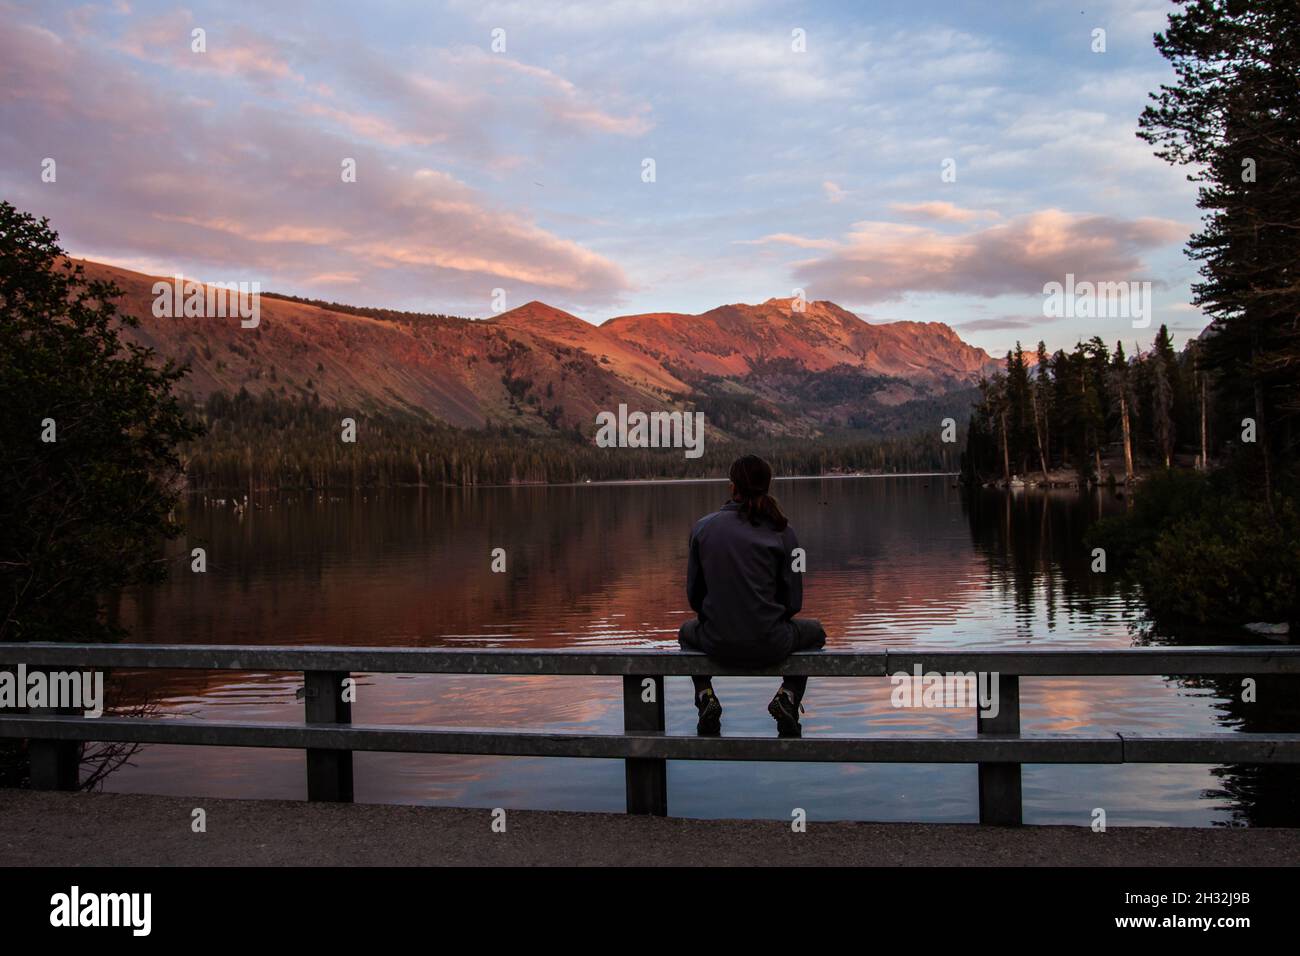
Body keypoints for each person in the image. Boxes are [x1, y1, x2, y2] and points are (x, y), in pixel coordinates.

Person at [678, 454, 826, 737]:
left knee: (686, 633)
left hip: (716, 642)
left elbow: (695, 599)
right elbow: (794, 603)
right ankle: (789, 695)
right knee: (815, 632)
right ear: (767, 486)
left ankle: (705, 695)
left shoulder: (702, 529)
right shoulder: (785, 532)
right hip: (772, 642)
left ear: (732, 487)